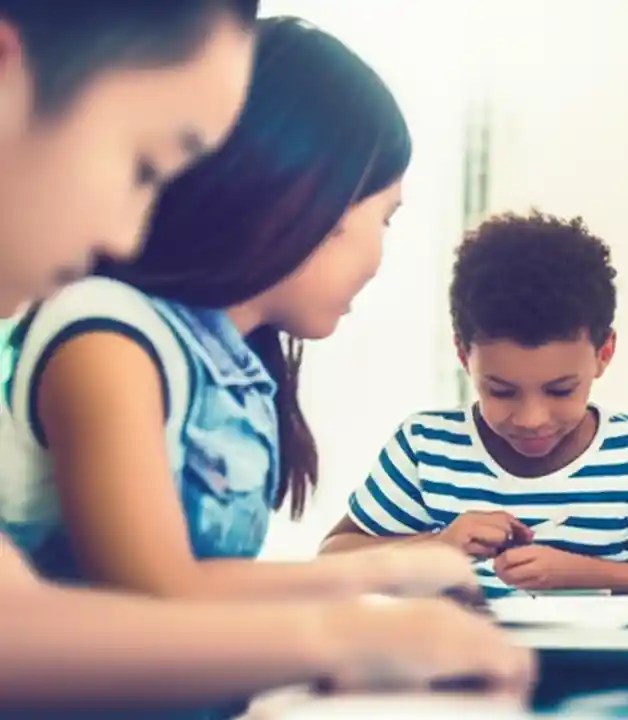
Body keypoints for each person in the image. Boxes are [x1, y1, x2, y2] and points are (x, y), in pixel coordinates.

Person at [0, 2, 530, 709]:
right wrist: (360, 619)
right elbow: (148, 595)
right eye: (145, 165)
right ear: (301, 196)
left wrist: (386, 588)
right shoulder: (105, 330)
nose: (125, 236)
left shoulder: (236, 369)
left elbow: (22, 613)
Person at [323, 211, 628, 597]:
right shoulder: (425, 448)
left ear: (604, 353)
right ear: (462, 353)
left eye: (560, 390)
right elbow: (331, 559)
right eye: (501, 391)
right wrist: (438, 546)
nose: (531, 419)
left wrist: (580, 572)